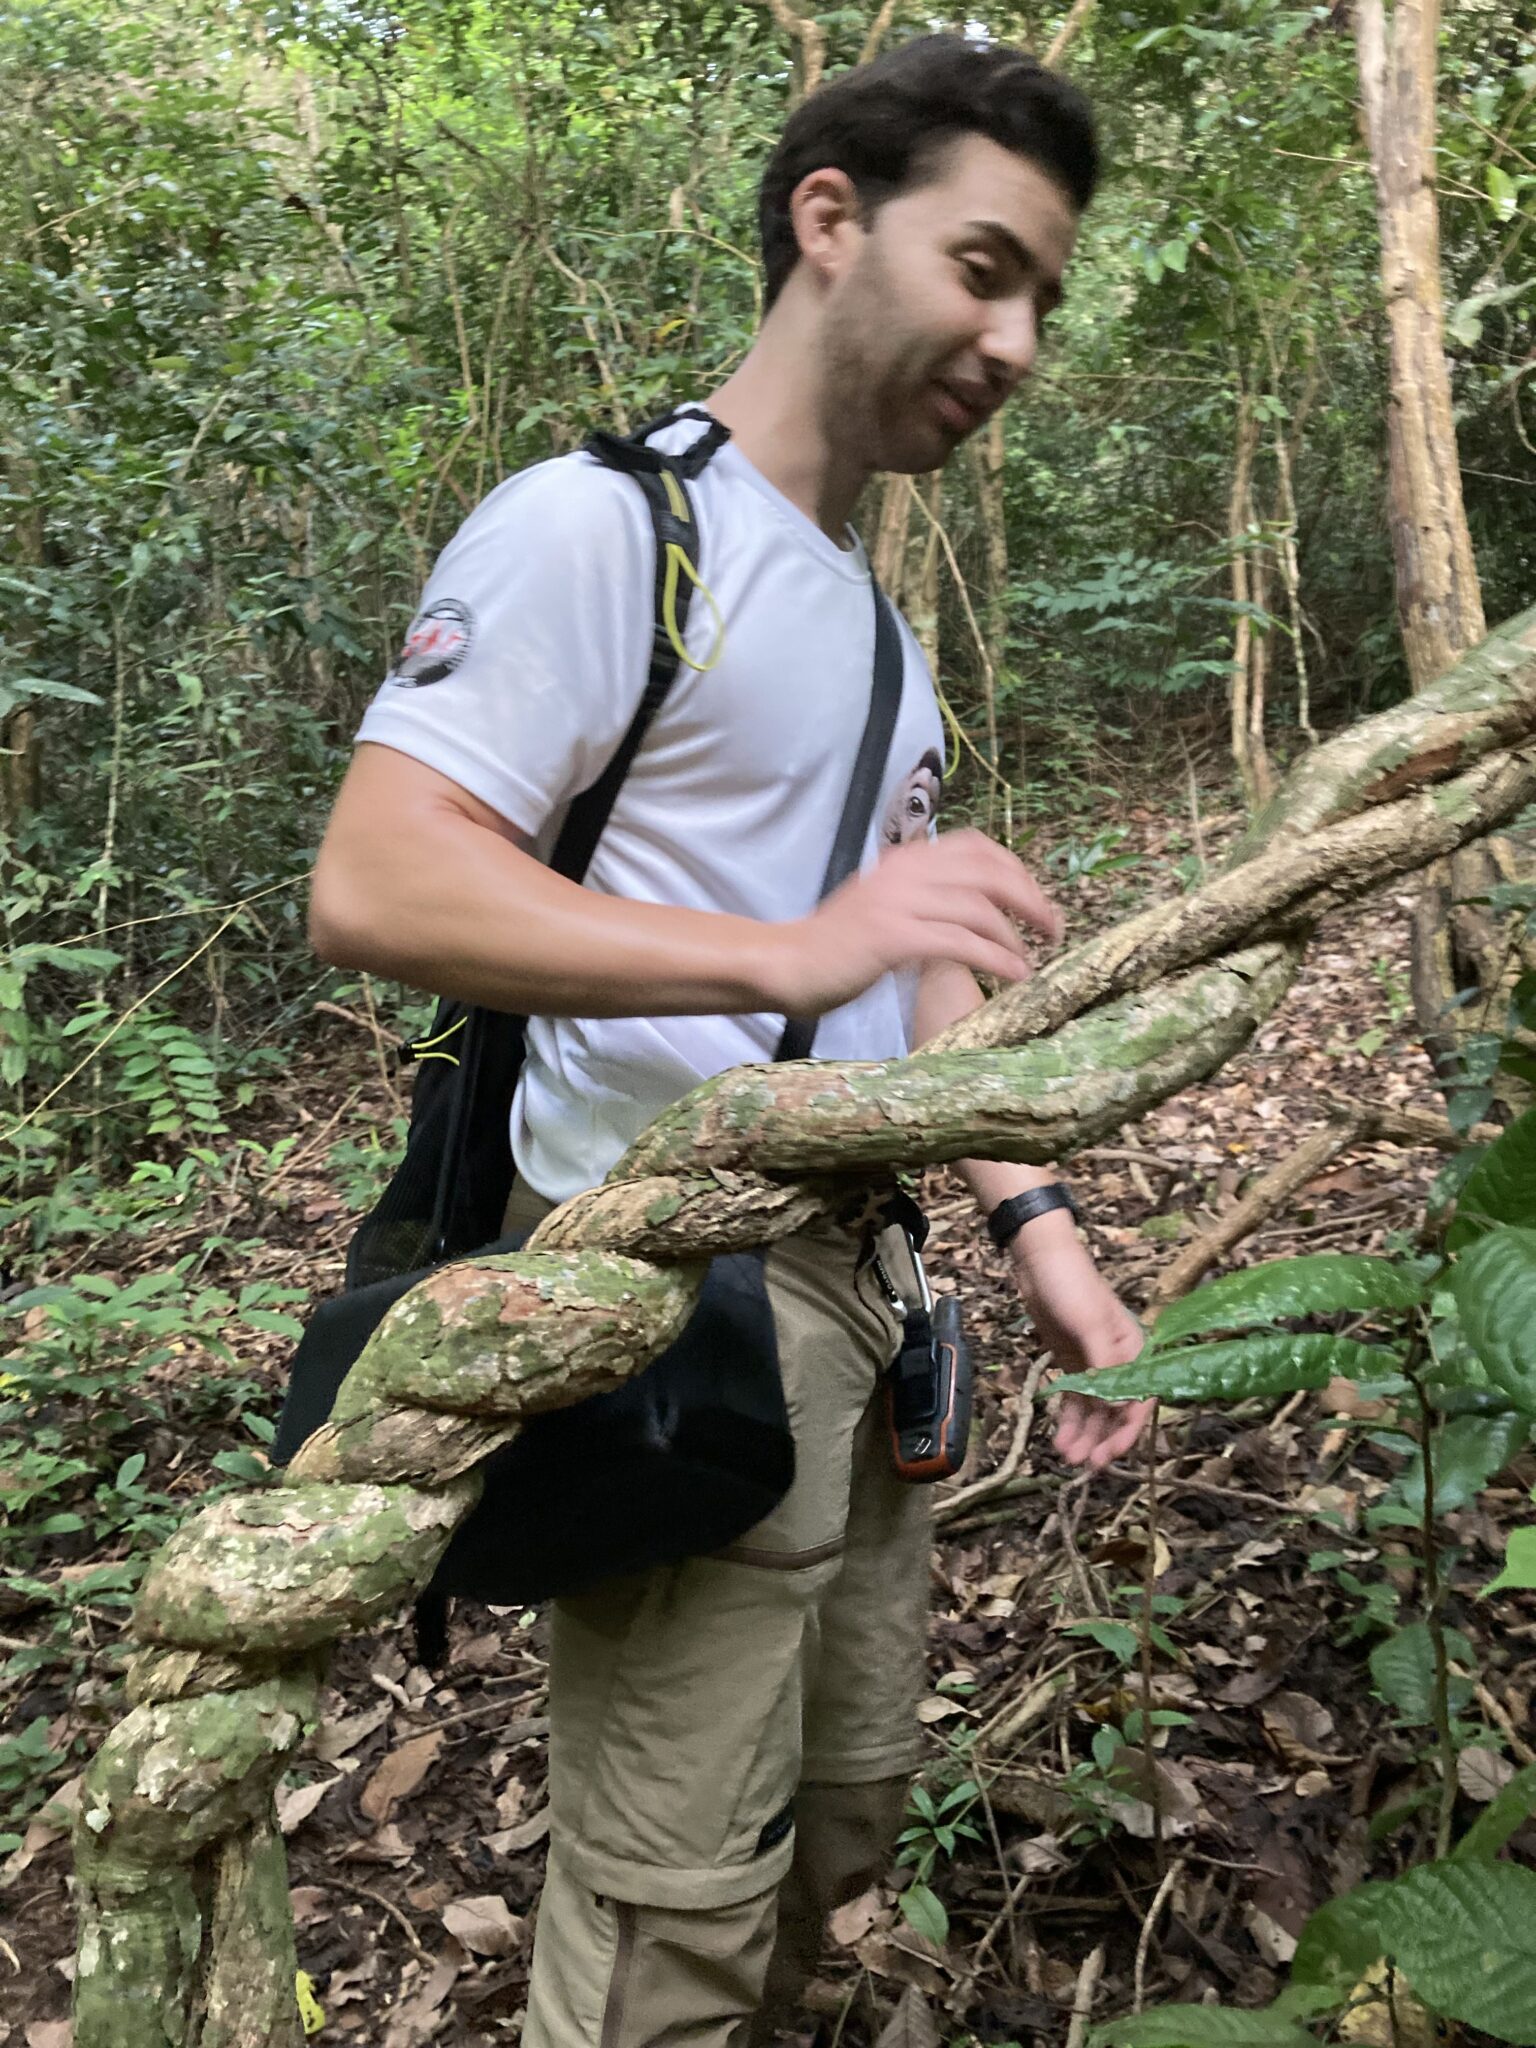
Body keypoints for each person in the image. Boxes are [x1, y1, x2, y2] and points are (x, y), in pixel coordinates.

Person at [310, 33, 1151, 2046]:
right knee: (671, 1890)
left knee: (840, 1827)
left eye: (1042, 291)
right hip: (676, 1285)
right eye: (984, 264)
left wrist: (1044, 1236)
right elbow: (382, 877)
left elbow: (909, 974)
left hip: (871, 1299)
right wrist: (792, 934)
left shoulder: (879, 631)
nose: (1018, 335)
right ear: (830, 219)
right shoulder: (604, 530)